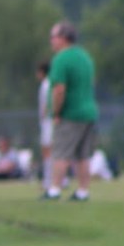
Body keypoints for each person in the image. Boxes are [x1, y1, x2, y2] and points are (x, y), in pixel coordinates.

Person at [41, 20, 99, 201]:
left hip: (70, 114)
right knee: (83, 155)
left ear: (64, 38)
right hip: (89, 112)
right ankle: (83, 191)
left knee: (60, 153)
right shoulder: (85, 57)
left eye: (54, 37)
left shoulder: (61, 58)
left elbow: (59, 89)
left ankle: (55, 190)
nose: (51, 41)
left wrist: (56, 112)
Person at [36, 62, 53, 190]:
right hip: (49, 122)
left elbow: (46, 105)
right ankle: (56, 179)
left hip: (48, 122)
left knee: (47, 151)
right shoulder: (50, 83)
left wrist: (43, 117)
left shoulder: (46, 84)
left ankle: (49, 180)